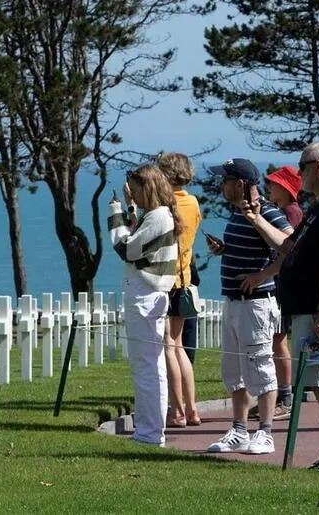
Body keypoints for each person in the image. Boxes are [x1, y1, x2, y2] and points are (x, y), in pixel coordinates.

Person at [249, 142, 319, 471]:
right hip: (310, 311)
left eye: (303, 166)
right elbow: (288, 245)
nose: (299, 174)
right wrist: (256, 218)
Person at [203, 158, 292, 455]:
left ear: (240, 184)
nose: (221, 186)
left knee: (261, 369)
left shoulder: (267, 212)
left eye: (225, 180)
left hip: (255, 306)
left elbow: (290, 248)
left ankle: (265, 433)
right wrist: (224, 250)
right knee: (234, 371)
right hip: (233, 302)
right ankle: (239, 430)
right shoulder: (237, 213)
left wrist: (264, 275)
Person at [108, 164, 181, 446]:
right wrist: (129, 210)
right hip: (147, 293)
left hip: (144, 294)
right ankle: (151, 431)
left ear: (147, 188)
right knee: (152, 367)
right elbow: (140, 240)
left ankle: (150, 433)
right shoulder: (157, 216)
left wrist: (115, 215)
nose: (133, 195)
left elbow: (128, 249)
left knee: (146, 369)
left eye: (136, 190)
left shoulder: (159, 217)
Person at [156, 152, 203, 428]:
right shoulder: (193, 202)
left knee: (169, 347)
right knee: (180, 345)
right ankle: (193, 408)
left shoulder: (165, 205)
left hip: (167, 280)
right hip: (185, 279)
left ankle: (177, 411)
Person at [264, 165, 304, 418]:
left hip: (282, 285)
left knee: (278, 341)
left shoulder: (289, 213)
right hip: (282, 283)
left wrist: (264, 274)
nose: (269, 188)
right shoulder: (287, 211)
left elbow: (286, 248)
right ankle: (280, 395)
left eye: (274, 184)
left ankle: (285, 398)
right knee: (277, 341)